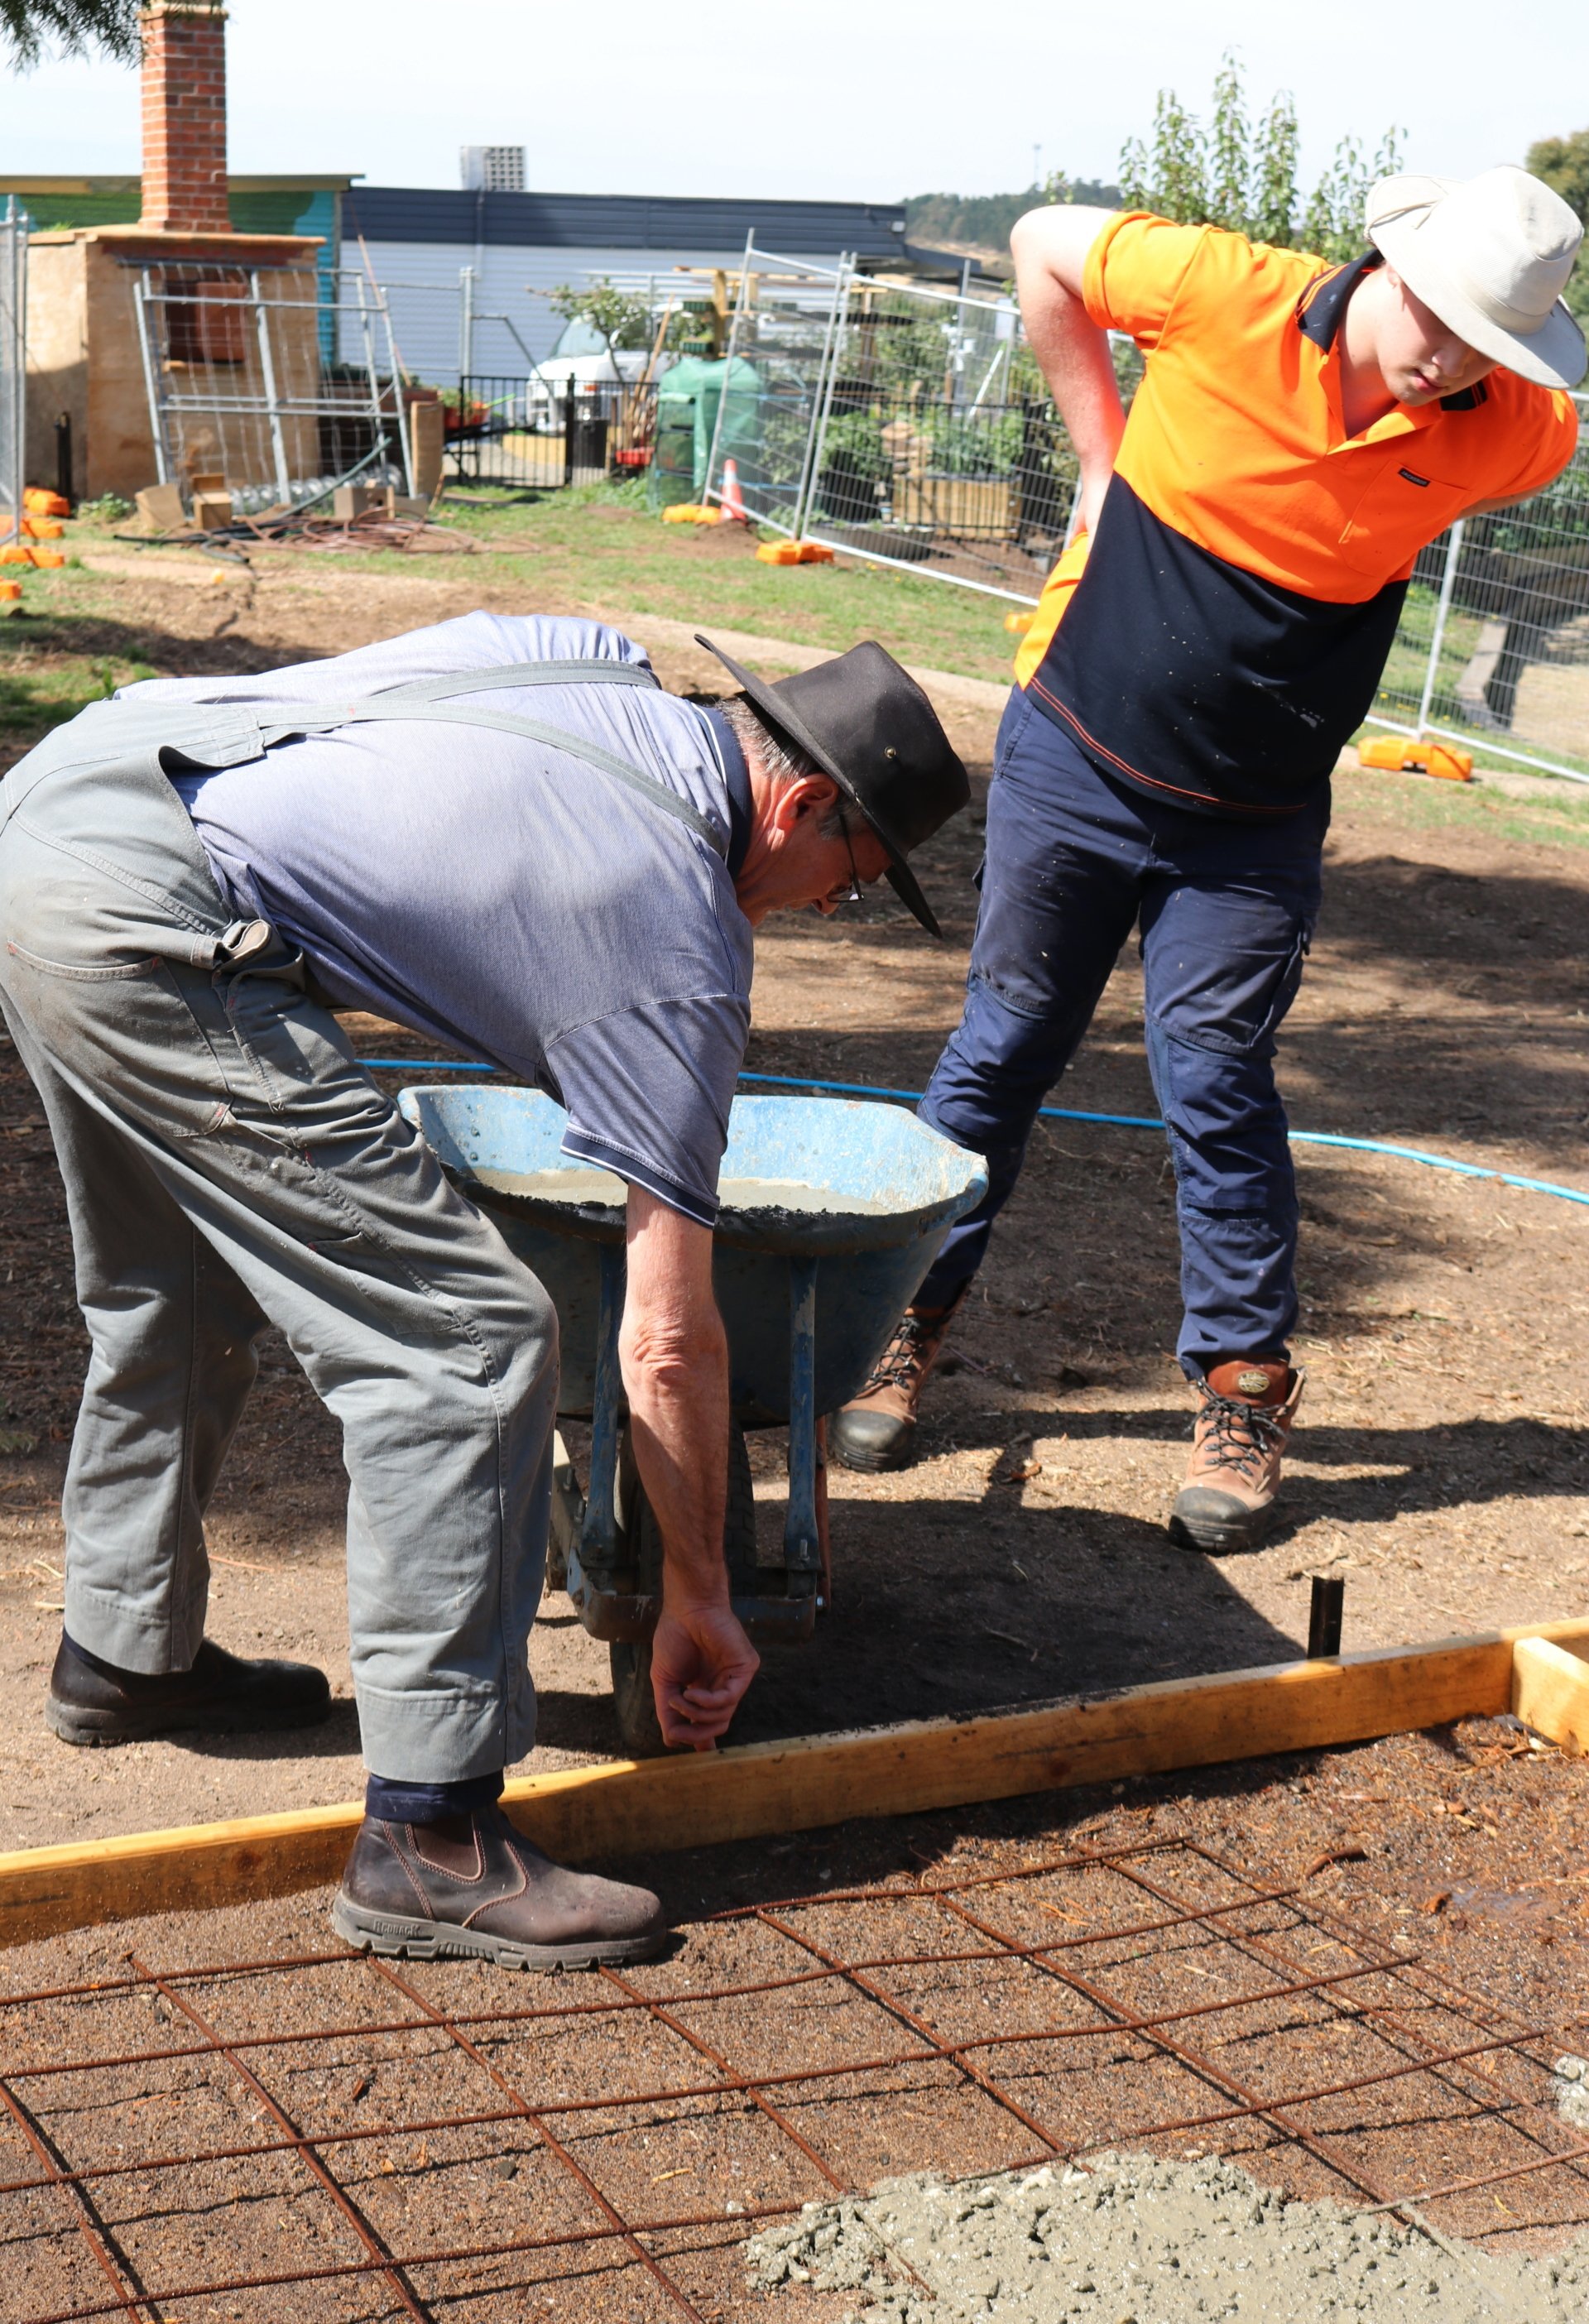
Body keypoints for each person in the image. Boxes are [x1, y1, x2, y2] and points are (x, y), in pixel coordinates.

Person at [0, 610, 967, 1970]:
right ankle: (431, 1836)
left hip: (69, 801)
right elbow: (671, 1342)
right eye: (852, 879)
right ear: (800, 802)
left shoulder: (590, 653)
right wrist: (701, 1591)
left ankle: (123, 1648)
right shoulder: (675, 948)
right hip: (155, 913)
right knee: (471, 1340)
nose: (829, 906)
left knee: (175, 1282)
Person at [833, 166, 1583, 1551]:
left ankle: (1243, 1386)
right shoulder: (1224, 292)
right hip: (1075, 753)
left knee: (1216, 1079)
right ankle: (893, 1329)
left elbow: (1535, 431)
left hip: (1251, 822)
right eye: (1446, 319)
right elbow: (1043, 245)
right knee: (1000, 1048)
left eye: (1492, 342)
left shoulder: (1512, 430)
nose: (1451, 360)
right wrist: (1103, 455)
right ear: (1390, 263)